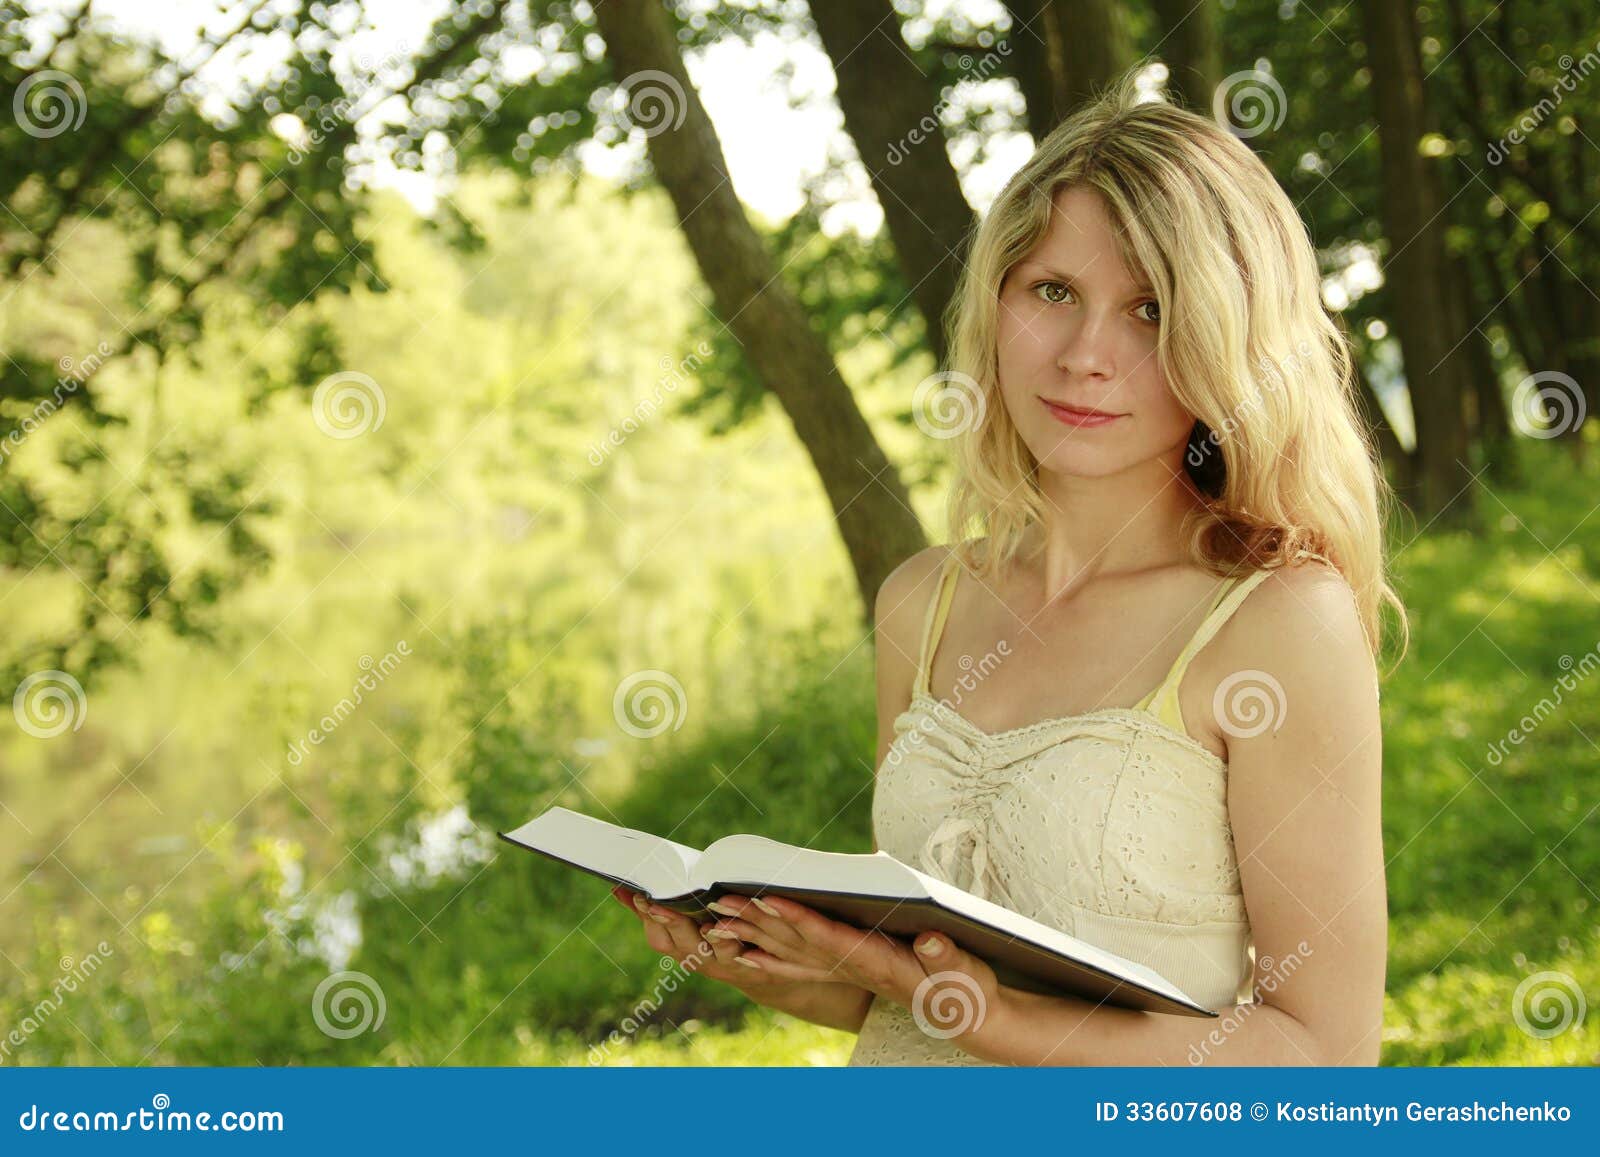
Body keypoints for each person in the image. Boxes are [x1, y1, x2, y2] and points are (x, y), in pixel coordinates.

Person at [612, 65, 1405, 1066]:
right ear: (996, 303)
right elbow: (914, 990)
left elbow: (1326, 1049)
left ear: (1227, 335)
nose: (1085, 354)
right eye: (1053, 291)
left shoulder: (1279, 620)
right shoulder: (923, 601)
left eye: (1151, 309)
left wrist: (997, 1020)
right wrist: (783, 962)